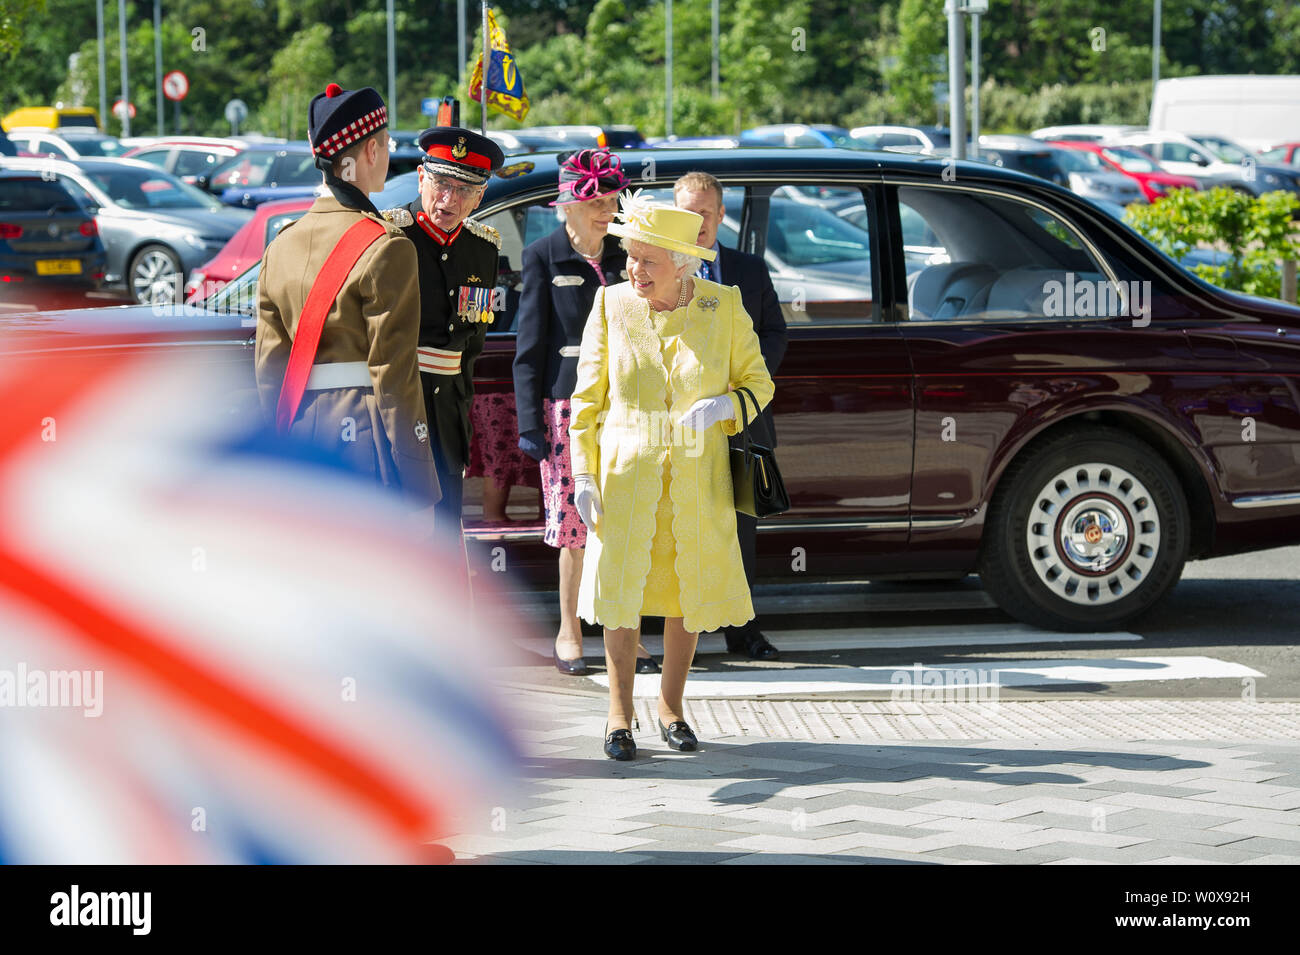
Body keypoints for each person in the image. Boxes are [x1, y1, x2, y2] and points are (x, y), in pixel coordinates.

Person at [569, 193, 775, 760]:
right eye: (630, 257)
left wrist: (725, 406)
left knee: (685, 595)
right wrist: (582, 476)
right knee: (620, 597)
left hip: (696, 480)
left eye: (647, 262)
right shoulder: (611, 306)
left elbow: (760, 384)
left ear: (682, 264)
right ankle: (618, 714)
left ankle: (671, 708)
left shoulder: (722, 305)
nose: (634, 270)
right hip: (624, 480)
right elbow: (584, 404)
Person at [255, 82, 440, 519]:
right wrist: (418, 483)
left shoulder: (279, 247)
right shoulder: (388, 247)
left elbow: (269, 374)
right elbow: (395, 377)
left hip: (301, 445)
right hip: (367, 441)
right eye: (387, 144)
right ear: (370, 153)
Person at [513, 149, 659, 676]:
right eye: (595, 201)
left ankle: (625, 633)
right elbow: (529, 349)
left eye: (613, 199)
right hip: (568, 409)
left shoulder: (630, 253)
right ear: (567, 205)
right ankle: (569, 629)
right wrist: (528, 422)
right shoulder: (543, 255)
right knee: (574, 525)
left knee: (626, 519)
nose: (607, 209)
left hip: (628, 405)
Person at [673, 171, 788, 660]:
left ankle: (743, 630)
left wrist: (738, 388)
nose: (695, 222)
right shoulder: (661, 267)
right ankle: (682, 638)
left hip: (741, 422)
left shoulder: (749, 269)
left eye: (704, 212)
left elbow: (774, 336)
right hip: (680, 428)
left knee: (739, 530)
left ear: (720, 215)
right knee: (680, 528)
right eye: (686, 212)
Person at [380, 126, 505, 531]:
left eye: (464, 190)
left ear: (480, 196)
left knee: (446, 535)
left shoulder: (482, 250)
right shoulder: (390, 236)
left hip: (448, 415)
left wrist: (460, 418)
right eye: (441, 184)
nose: (449, 199)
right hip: (397, 407)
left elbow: (471, 349)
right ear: (421, 177)